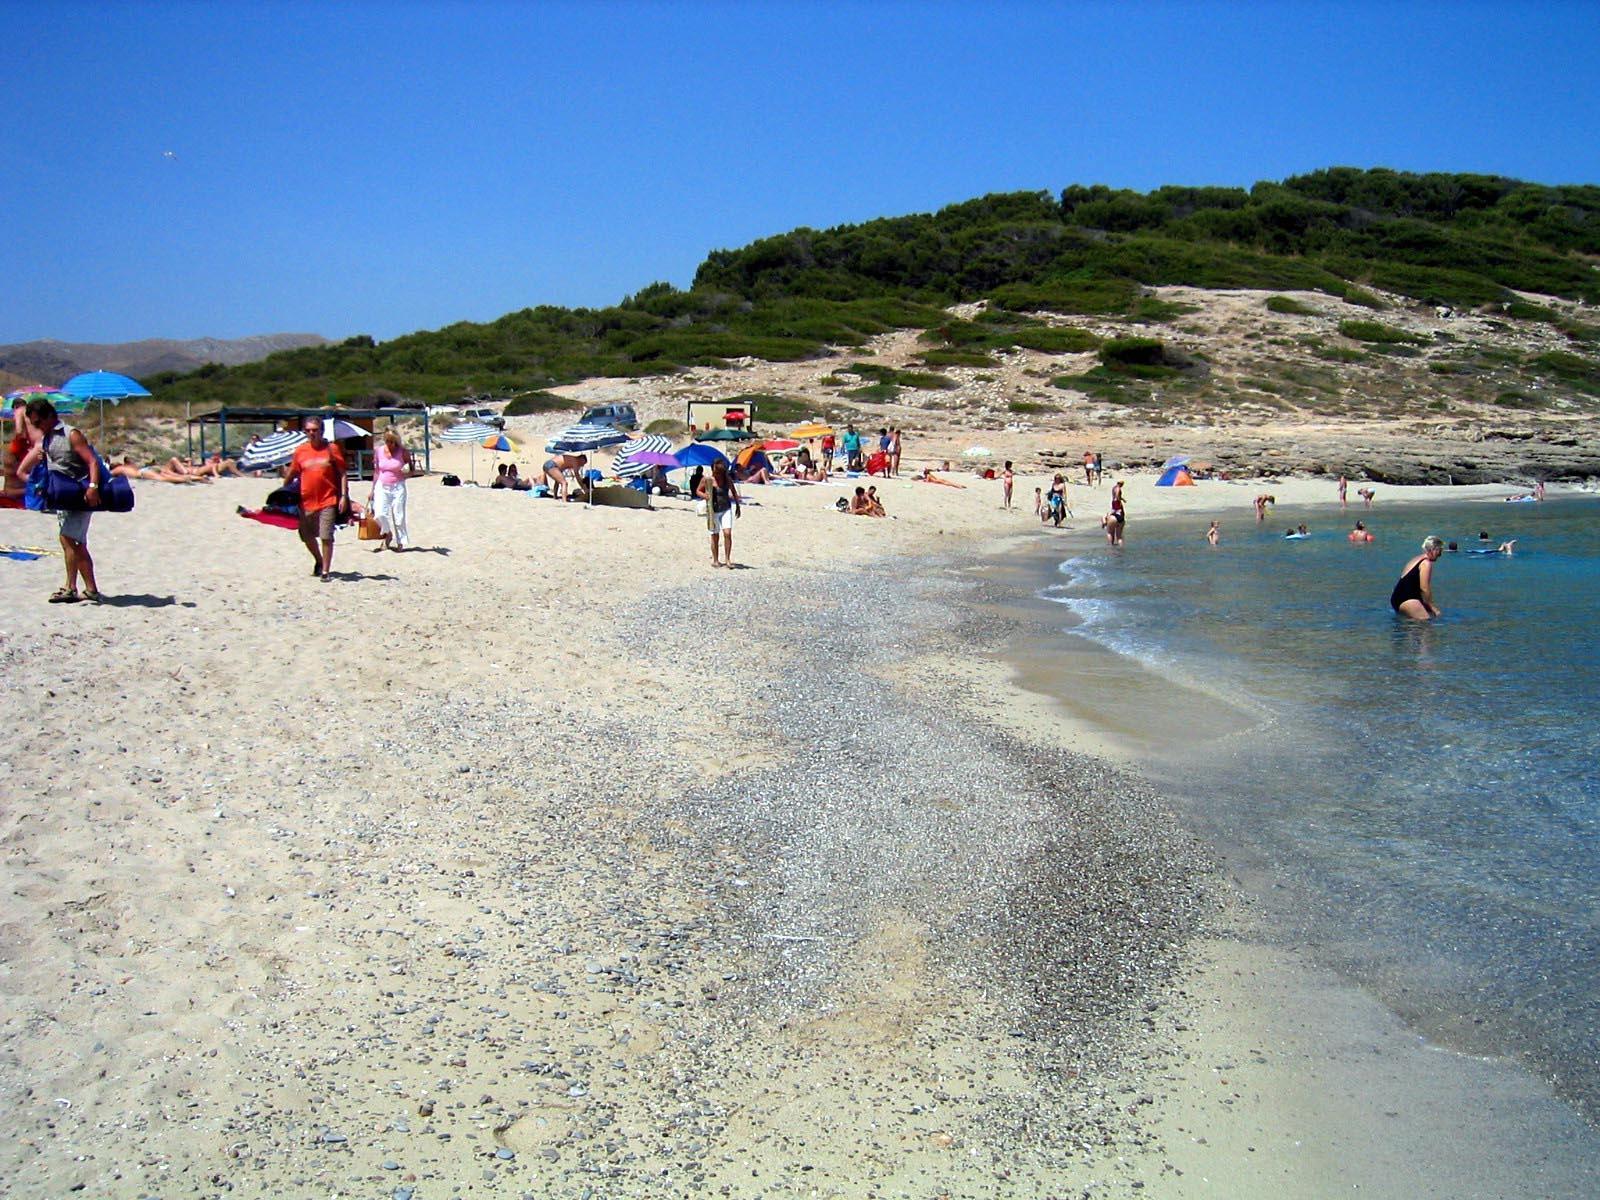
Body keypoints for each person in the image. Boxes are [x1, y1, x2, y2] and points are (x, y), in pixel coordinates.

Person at [18, 397, 104, 602]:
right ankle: (77, 588)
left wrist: (93, 487)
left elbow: (92, 462)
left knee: (71, 540)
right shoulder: (47, 438)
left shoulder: (71, 434)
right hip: (63, 496)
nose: (37, 427)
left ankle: (81, 588)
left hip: (80, 494)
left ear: (49, 416)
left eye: (38, 422)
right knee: (70, 541)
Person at [284, 416, 347, 580]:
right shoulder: (300, 451)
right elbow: (292, 473)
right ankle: (318, 560)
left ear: (321, 431)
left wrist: (344, 496)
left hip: (328, 499)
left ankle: (325, 571)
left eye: (315, 430)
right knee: (306, 535)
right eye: (308, 430)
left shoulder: (332, 449)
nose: (312, 433)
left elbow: (342, 473)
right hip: (305, 501)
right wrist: (283, 491)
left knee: (326, 535)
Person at [368, 427, 413, 551]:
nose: (391, 444)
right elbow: (377, 471)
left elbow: (412, 469)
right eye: (388, 441)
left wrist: (406, 473)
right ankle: (388, 534)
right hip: (382, 485)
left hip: (398, 486)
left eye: (393, 442)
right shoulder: (378, 451)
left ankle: (401, 542)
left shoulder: (402, 452)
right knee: (379, 514)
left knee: (399, 516)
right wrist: (372, 490)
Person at [1389, 535, 1445, 620]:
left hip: (1396, 598)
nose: (1440, 555)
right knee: (1425, 624)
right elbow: (1424, 588)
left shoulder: (1415, 559)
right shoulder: (1426, 563)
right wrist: (1432, 607)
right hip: (1407, 599)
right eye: (1439, 551)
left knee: (1414, 625)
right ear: (1433, 550)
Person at [698, 457, 741, 567]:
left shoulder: (727, 479)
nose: (715, 474)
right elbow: (698, 491)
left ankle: (727, 559)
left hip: (726, 508)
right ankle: (716, 560)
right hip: (713, 510)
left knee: (727, 533)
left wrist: (738, 506)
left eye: (718, 472)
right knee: (715, 535)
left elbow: (734, 492)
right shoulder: (707, 480)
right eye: (714, 471)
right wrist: (704, 496)